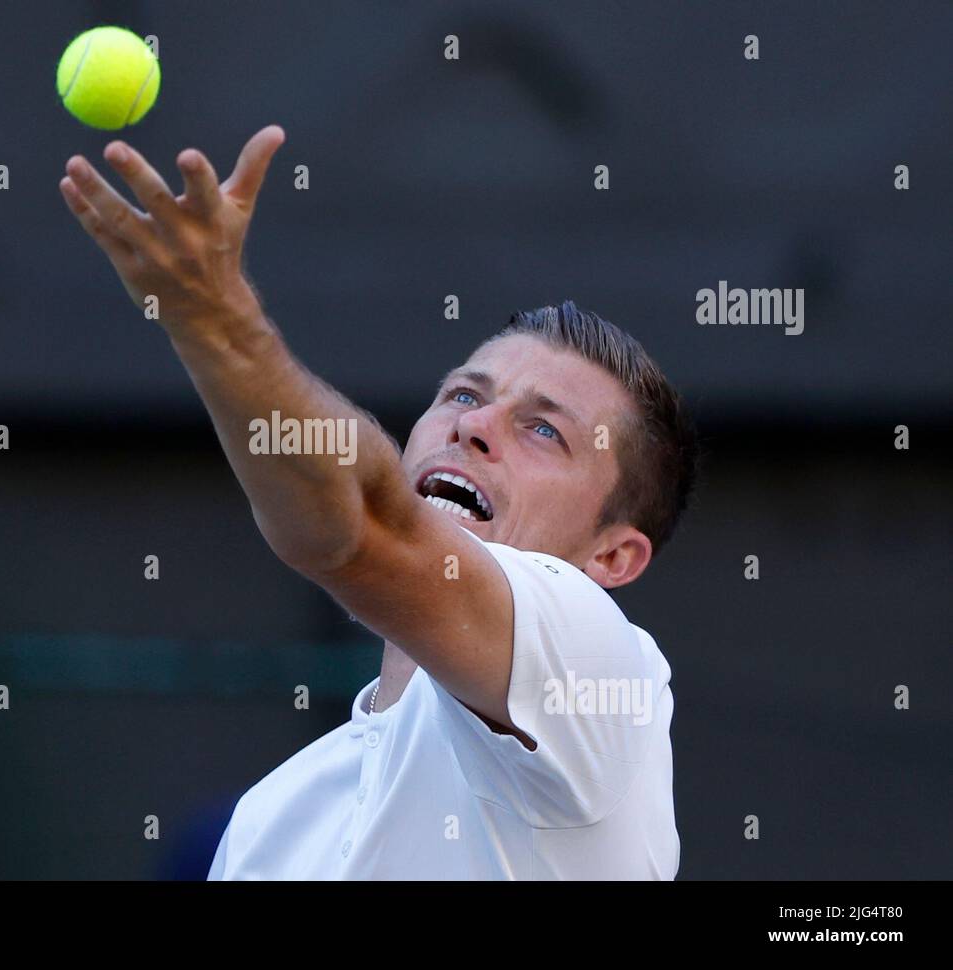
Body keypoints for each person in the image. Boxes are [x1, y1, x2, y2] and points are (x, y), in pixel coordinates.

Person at [59, 125, 698, 880]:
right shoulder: (268, 819)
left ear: (611, 556)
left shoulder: (604, 673)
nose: (475, 426)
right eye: (464, 393)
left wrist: (213, 321)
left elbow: (359, 526)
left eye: (543, 429)